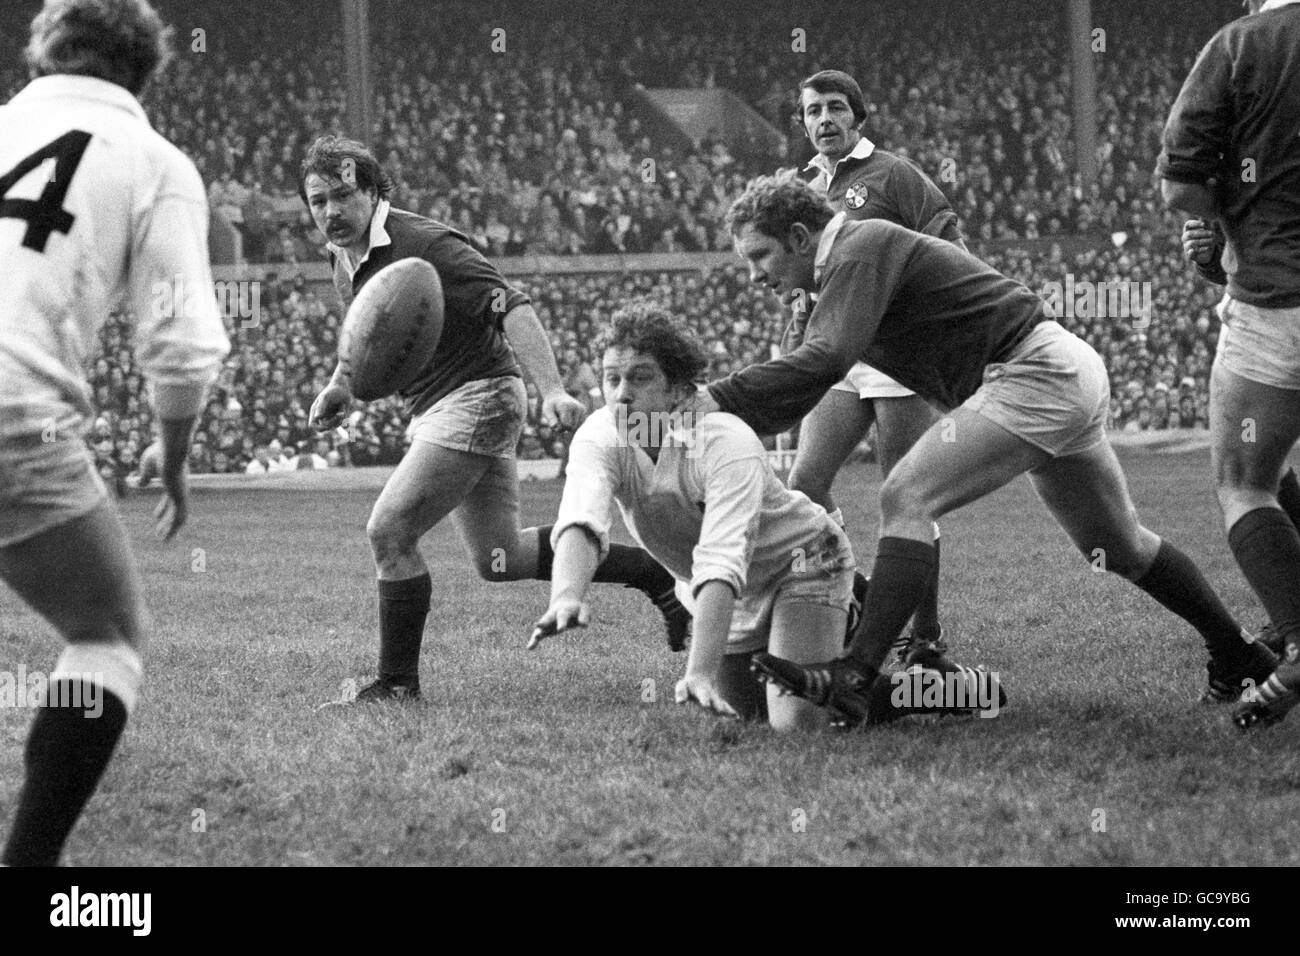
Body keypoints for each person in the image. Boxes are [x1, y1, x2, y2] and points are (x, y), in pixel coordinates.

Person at [690, 172, 1273, 726]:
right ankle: (1239, 656)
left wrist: (710, 400)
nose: (752, 275)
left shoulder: (858, 246)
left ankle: (855, 673)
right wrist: (724, 419)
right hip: (1053, 369)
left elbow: (826, 359)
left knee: (906, 496)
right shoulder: (835, 271)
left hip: (1032, 371)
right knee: (1120, 546)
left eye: (758, 256)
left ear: (798, 237)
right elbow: (806, 379)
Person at [302, 137, 690, 704]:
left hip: (478, 395)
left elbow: (511, 303)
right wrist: (341, 386)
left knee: (389, 531)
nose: (331, 212)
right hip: (442, 405)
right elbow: (363, 342)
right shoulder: (343, 258)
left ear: (373, 192)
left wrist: (553, 389)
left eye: (342, 196)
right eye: (318, 201)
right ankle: (657, 577)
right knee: (498, 558)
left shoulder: (422, 244)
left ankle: (397, 684)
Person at [0, 0, 230, 866]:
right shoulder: (152, 161)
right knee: (105, 634)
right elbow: (182, 348)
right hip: (15, 407)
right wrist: (172, 467)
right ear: (144, 71)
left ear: (42, 54)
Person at [529, 302, 986, 729]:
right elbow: (581, 518)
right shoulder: (600, 436)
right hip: (728, 588)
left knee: (796, 723)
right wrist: (567, 595)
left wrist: (700, 672)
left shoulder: (724, 441)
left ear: (679, 388)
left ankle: (931, 690)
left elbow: (722, 555)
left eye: (640, 378)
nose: (622, 395)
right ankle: (869, 678)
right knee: (750, 714)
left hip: (802, 563)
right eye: (612, 380)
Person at [1159, 0, 1300, 729]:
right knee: (1275, 474)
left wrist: (1219, 225)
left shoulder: (1244, 42)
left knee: (1246, 482)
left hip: (1279, 301)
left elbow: (1183, 183)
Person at [789, 70, 963, 659]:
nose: (824, 120)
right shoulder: (802, 184)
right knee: (805, 484)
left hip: (897, 355)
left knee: (905, 493)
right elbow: (797, 275)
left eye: (835, 108)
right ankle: (860, 595)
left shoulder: (894, 174)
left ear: (858, 116)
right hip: (839, 352)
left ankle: (925, 632)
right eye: (813, 112)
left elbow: (948, 245)